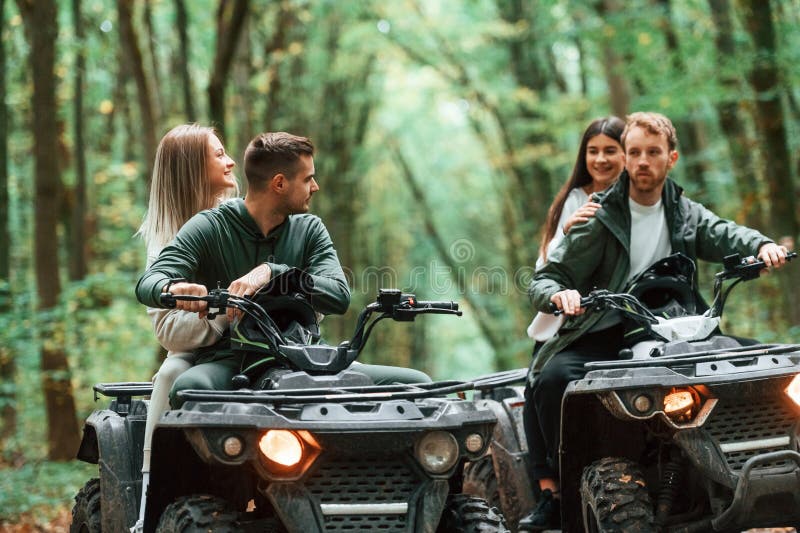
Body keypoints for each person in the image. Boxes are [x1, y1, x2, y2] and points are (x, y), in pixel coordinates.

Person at [519, 112, 788, 530]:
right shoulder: (599, 218)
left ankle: (754, 462)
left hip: (674, 326)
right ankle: (568, 490)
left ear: (671, 158)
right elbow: (548, 275)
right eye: (635, 153)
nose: (643, 161)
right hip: (605, 328)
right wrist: (559, 294)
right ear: (625, 159)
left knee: (765, 365)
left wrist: (762, 245)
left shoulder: (684, 212)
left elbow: (724, 233)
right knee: (555, 378)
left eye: (653, 152)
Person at [136, 131, 429, 408]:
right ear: (279, 184)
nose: (315, 187)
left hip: (305, 354)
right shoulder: (208, 225)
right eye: (308, 179)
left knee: (418, 385)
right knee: (187, 387)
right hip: (232, 359)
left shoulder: (310, 228)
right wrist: (171, 288)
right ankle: (156, 462)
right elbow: (149, 282)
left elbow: (339, 295)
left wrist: (276, 273)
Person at [133, 123, 239, 533]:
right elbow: (169, 331)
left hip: (263, 351)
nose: (230, 161)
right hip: (200, 357)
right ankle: (150, 500)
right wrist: (225, 315)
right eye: (219, 154)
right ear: (193, 168)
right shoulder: (164, 242)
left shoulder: (244, 220)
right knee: (173, 374)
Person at [526, 116, 625, 342]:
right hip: (579, 314)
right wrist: (567, 232)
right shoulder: (573, 200)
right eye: (593, 151)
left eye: (610, 150)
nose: (600, 159)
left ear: (625, 154)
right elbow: (544, 267)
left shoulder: (637, 202)